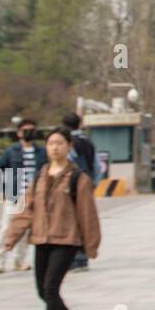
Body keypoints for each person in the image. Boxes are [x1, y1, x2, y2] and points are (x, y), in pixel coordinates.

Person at [4, 127, 102, 310]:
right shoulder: (40, 176)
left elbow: (88, 215)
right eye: (50, 143)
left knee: (50, 288)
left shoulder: (79, 178)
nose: (55, 147)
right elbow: (27, 209)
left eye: (59, 143)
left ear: (69, 146)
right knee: (42, 291)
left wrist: (91, 246)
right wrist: (12, 237)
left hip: (66, 239)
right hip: (41, 238)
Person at [0, 119, 47, 274]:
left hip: (35, 196)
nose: (29, 133)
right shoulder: (11, 151)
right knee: (6, 228)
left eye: (31, 130)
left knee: (27, 230)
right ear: (19, 133)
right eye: (25, 130)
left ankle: (19, 260)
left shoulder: (42, 152)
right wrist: (2, 190)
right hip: (14, 195)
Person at [62, 112, 96, 271]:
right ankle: (83, 256)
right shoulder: (88, 142)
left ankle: (72, 258)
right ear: (79, 124)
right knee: (84, 220)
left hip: (69, 186)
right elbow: (97, 166)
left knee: (69, 221)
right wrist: (93, 182)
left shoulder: (65, 143)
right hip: (86, 184)